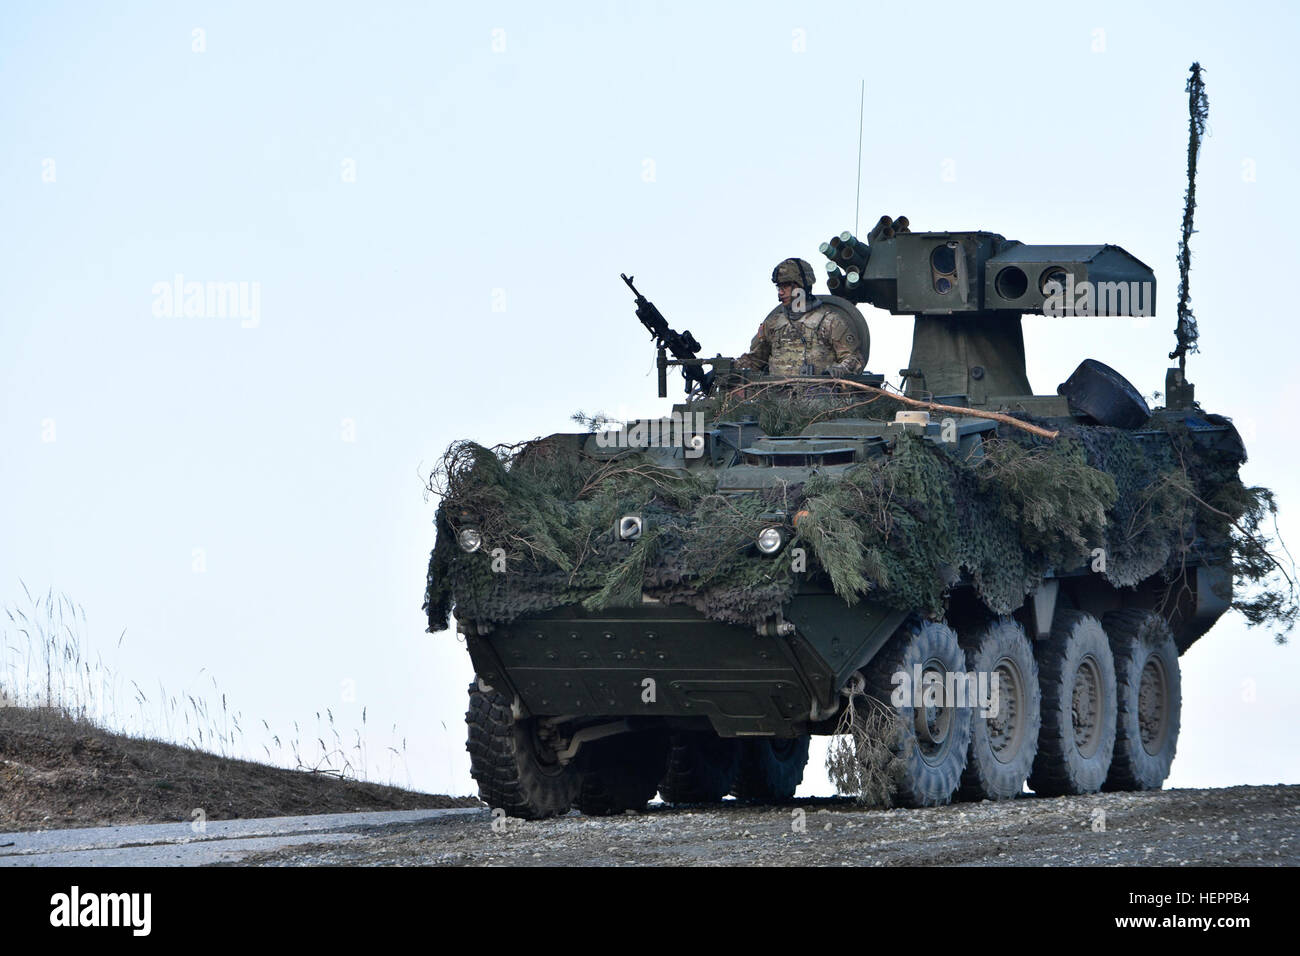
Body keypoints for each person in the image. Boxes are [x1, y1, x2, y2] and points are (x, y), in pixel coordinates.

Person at [735, 258, 866, 378]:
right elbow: (756, 360)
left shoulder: (830, 322)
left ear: (801, 286)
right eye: (779, 287)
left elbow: (854, 360)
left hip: (821, 398)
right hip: (775, 398)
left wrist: (835, 372)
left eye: (785, 286)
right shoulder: (773, 324)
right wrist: (732, 367)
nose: (780, 292)